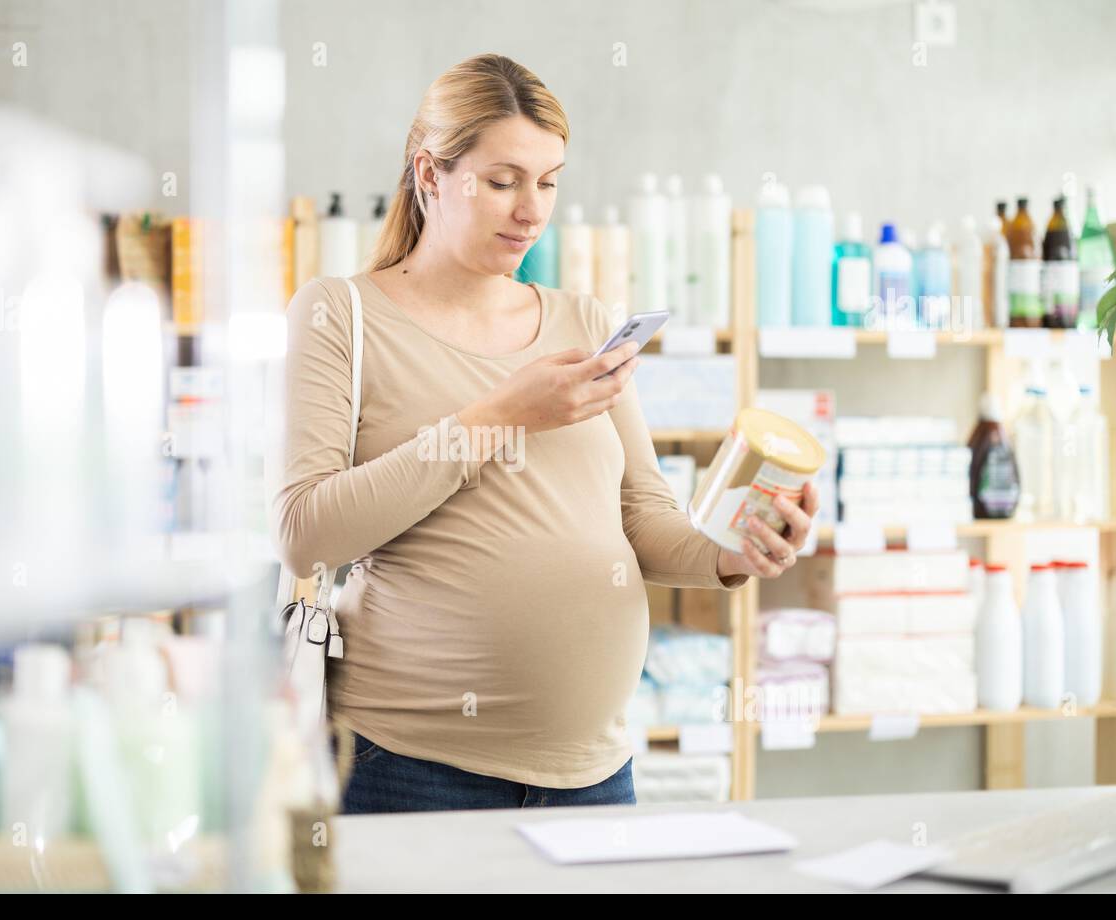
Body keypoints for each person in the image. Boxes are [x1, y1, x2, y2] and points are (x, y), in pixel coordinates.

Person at [273, 53, 816, 813]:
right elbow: (305, 534)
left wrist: (735, 550)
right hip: (409, 770)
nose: (532, 210)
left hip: (595, 775)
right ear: (430, 176)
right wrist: (500, 416)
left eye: (550, 181)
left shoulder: (586, 324)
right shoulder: (342, 315)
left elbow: (643, 518)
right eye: (502, 181)